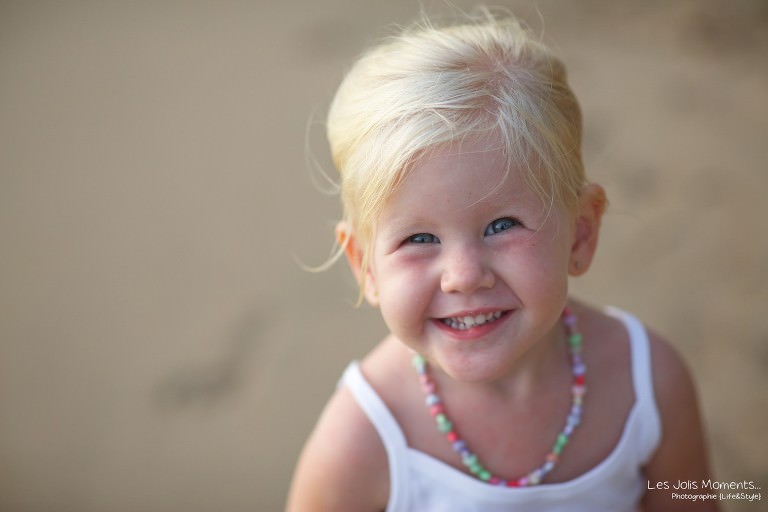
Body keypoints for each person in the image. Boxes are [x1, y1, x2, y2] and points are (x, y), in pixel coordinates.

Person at [286, 9, 717, 512]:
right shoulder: (361, 442)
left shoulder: (650, 383)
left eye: (501, 226)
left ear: (580, 233)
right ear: (364, 265)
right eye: (420, 238)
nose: (464, 276)